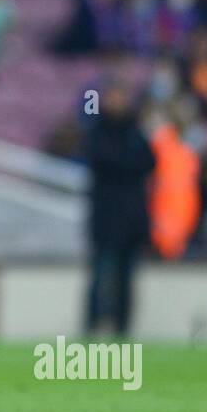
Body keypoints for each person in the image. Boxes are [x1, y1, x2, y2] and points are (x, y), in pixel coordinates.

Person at [84, 81, 154, 335]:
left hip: (131, 221)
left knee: (126, 280)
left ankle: (122, 330)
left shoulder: (135, 132)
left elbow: (149, 162)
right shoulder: (99, 132)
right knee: (101, 276)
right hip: (105, 220)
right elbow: (106, 161)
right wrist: (128, 163)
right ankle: (92, 327)